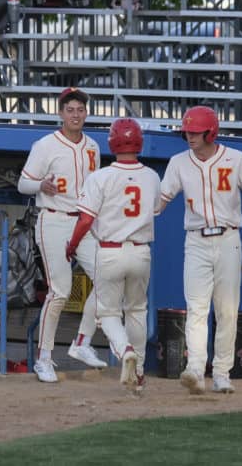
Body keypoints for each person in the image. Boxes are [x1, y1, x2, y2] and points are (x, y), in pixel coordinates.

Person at [156, 106, 242, 395]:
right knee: (197, 307)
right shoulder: (179, 162)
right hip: (196, 239)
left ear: (210, 132)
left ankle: (221, 372)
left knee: (227, 310)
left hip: (229, 238)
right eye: (188, 132)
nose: (190, 136)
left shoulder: (236, 158)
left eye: (196, 132)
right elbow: (161, 201)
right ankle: (195, 369)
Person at [17, 87, 108, 383]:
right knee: (59, 292)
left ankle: (81, 342)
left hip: (84, 222)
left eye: (80, 109)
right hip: (53, 219)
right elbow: (22, 184)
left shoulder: (93, 146)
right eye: (70, 109)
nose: (76, 114)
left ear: (86, 113)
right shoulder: (45, 145)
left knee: (108, 278)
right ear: (61, 113)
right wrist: (41, 185)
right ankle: (44, 358)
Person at [66, 118, 160, 396]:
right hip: (141, 251)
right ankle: (139, 374)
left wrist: (71, 245)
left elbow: (85, 221)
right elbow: (155, 210)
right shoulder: (152, 176)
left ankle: (124, 351)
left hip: (109, 250)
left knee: (107, 313)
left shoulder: (100, 177)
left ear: (113, 141)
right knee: (137, 311)